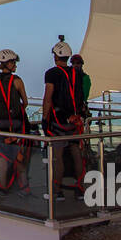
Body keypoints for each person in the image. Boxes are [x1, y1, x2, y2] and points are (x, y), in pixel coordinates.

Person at [42, 36, 84, 199]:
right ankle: (80, 188)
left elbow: (48, 97)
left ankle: (57, 190)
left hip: (58, 121)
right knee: (76, 153)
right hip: (74, 120)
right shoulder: (76, 73)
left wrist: (45, 119)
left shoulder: (52, 74)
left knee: (57, 156)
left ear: (55, 56)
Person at [0, 48, 30, 195]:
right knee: (19, 155)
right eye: (14, 62)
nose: (15, 65)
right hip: (16, 125)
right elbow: (25, 102)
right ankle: (24, 187)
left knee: (2, 156)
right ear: (8, 63)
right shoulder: (17, 81)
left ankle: (3, 186)